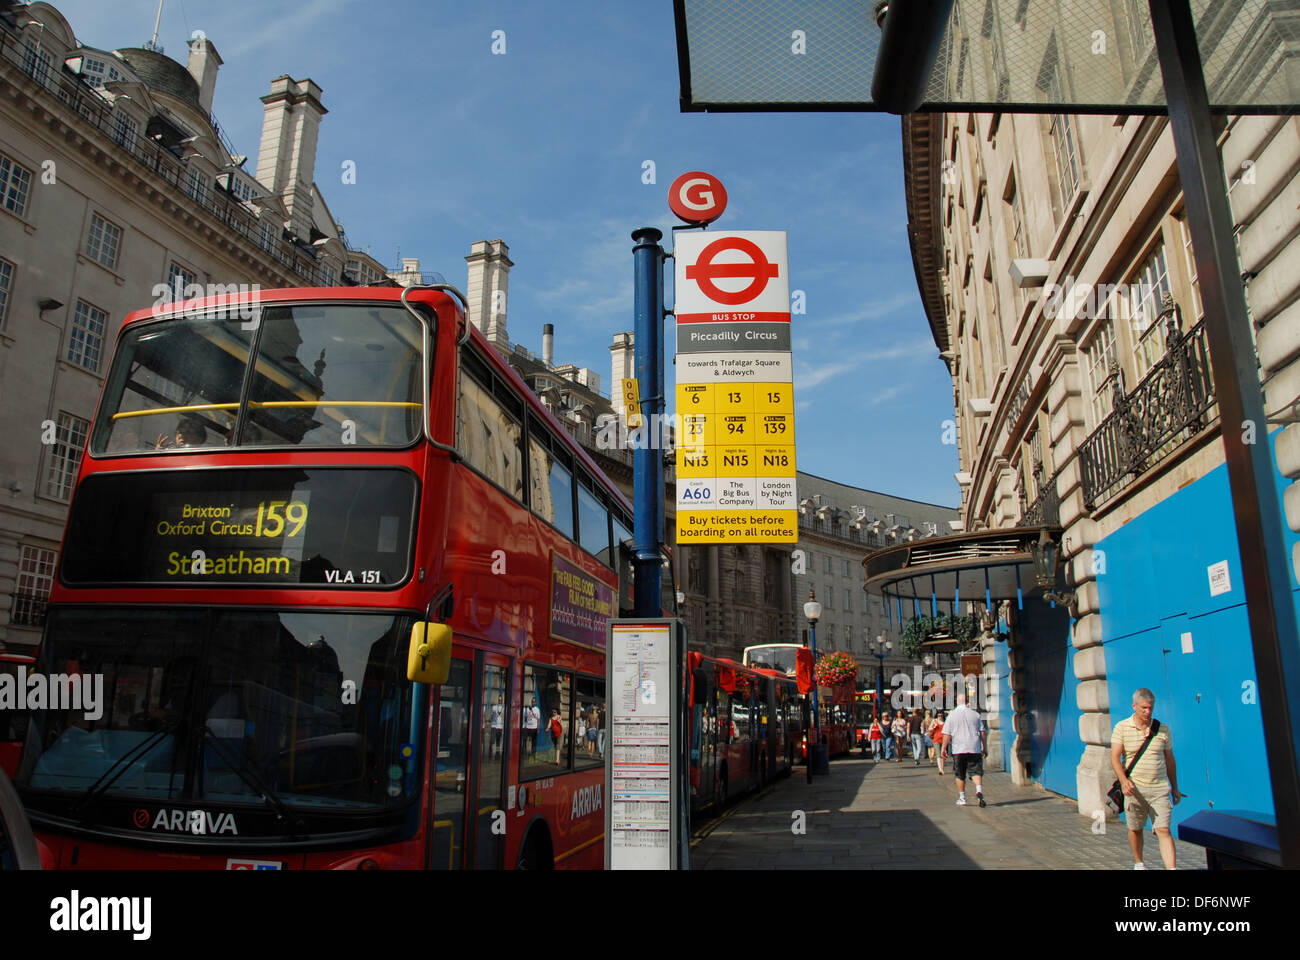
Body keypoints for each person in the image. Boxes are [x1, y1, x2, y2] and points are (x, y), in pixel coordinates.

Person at [1111, 688, 1184, 870]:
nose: (1148, 712)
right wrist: (1124, 780)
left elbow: (1170, 760)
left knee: (1164, 830)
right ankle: (1139, 863)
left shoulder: (1162, 729)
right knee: (1135, 829)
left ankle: (1172, 868)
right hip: (1134, 790)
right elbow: (1115, 758)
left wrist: (1175, 787)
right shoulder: (1122, 727)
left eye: (1151, 708)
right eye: (1144, 708)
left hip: (1159, 790)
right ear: (1134, 706)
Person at [942, 695, 986, 806]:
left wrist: (944, 748)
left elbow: (947, 734)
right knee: (976, 771)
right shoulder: (976, 715)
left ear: (957, 702)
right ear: (967, 702)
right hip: (974, 747)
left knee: (960, 774)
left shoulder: (951, 716)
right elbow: (982, 732)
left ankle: (962, 798)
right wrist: (984, 747)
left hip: (958, 749)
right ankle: (979, 790)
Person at [490, 694, 504, 759]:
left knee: (498, 741)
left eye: (501, 700)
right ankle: (491, 752)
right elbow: (492, 716)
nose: (500, 701)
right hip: (494, 725)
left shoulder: (503, 708)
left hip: (500, 726)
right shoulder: (494, 707)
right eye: (499, 700)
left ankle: (497, 753)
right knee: (492, 740)